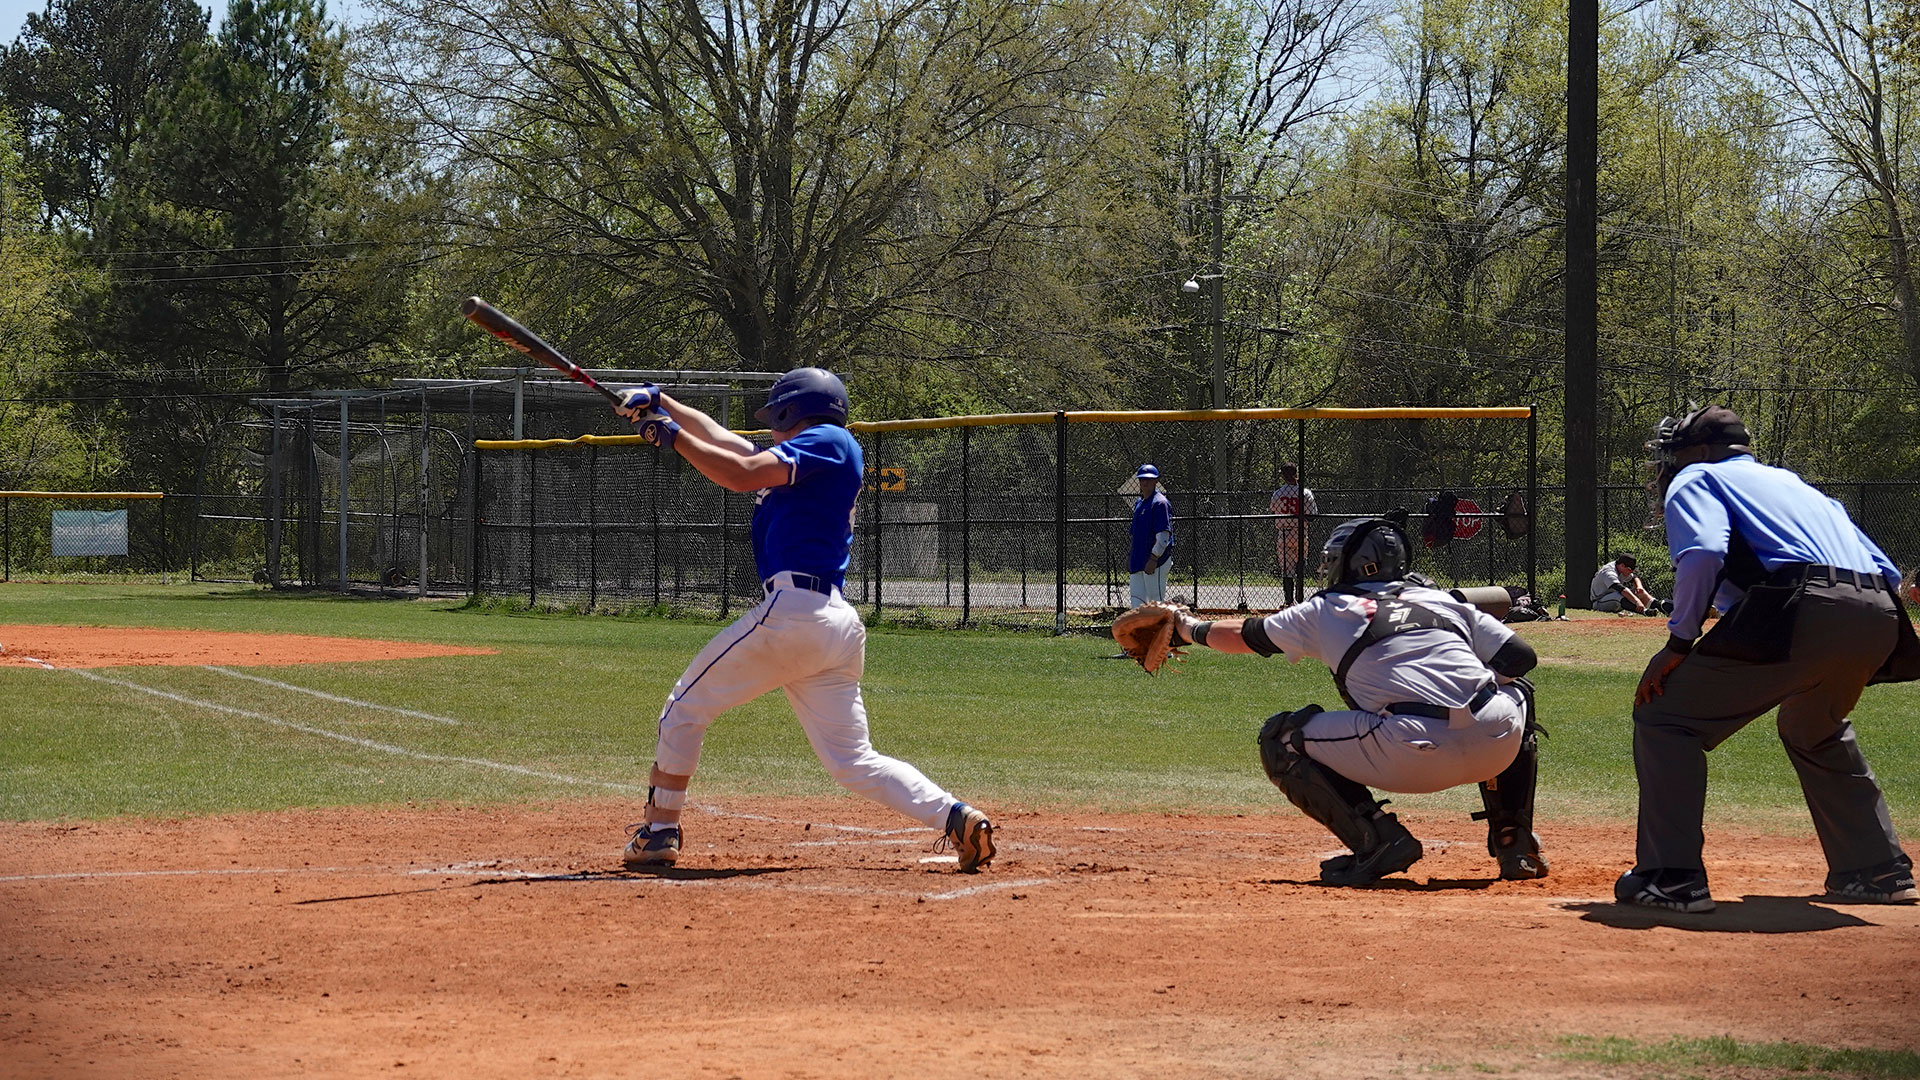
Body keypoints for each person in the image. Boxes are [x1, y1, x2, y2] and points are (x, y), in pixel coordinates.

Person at [608, 370, 995, 872]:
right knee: (853, 761)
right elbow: (729, 446)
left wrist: (669, 434)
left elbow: (736, 473)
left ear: (796, 411)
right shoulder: (810, 453)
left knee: (682, 709)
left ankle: (659, 831)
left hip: (794, 613)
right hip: (828, 624)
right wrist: (665, 403)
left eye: (776, 419)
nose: (770, 430)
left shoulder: (829, 440)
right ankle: (956, 816)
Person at [1620, 405, 1913, 912]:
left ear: (1702, 451)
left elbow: (1706, 552)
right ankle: (1877, 870)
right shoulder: (1795, 485)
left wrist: (1677, 644)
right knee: (1814, 728)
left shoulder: (1698, 476)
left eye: (1676, 453)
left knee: (1665, 716)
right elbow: (1887, 571)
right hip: (1882, 615)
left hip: (1804, 606)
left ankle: (1672, 878)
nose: (1670, 465)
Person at [1156, 517, 1547, 885]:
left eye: (1332, 561)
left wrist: (1185, 628)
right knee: (1518, 692)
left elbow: (1245, 634)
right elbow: (1520, 658)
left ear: (1357, 566)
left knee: (1281, 740)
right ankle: (1515, 842)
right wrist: (1465, 693)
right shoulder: (1442, 601)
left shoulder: (1326, 609)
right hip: (1497, 746)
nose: (1327, 570)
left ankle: (1378, 840)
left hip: (1410, 751)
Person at [1270, 463, 1319, 605]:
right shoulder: (1305, 493)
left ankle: (1289, 601)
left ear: (1283, 476)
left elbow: (1274, 511)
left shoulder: (1278, 493)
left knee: (1287, 569)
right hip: (1300, 532)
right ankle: (1300, 599)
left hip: (1284, 532)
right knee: (1301, 564)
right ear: (1296, 473)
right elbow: (1312, 516)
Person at [1129, 464, 1174, 606]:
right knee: (1137, 602)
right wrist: (1131, 555)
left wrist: (1154, 558)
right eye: (1142, 479)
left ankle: (1159, 629)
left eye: (1149, 479)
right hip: (1138, 559)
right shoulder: (1139, 503)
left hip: (1155, 561)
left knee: (1155, 602)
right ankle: (1141, 629)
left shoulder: (1159, 503)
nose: (1145, 482)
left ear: (1156, 481)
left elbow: (1163, 536)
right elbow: (1135, 534)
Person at [1590, 553, 1668, 616]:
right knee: (1619, 595)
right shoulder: (1608, 572)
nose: (1631, 572)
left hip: (1613, 598)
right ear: (1622, 565)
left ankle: (1661, 608)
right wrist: (1637, 601)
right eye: (1630, 569)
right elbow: (1621, 589)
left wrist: (1639, 587)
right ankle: (1644, 612)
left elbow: (1634, 578)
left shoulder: (1621, 568)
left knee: (1638, 592)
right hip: (1599, 602)